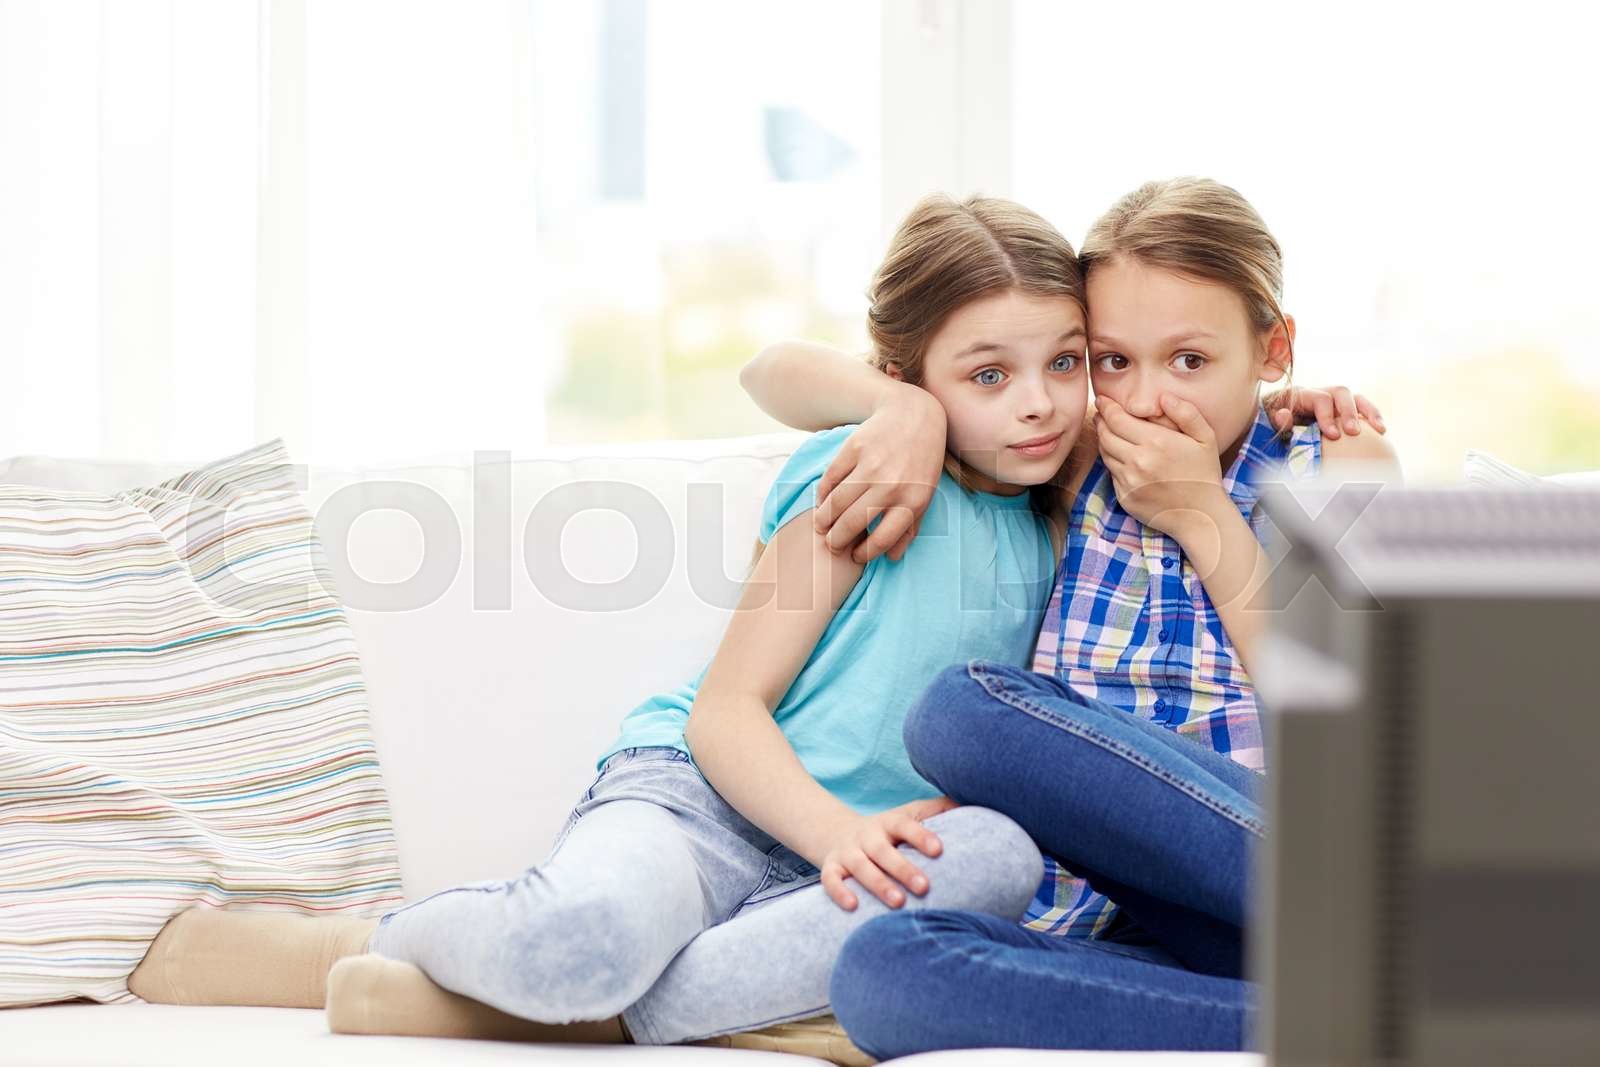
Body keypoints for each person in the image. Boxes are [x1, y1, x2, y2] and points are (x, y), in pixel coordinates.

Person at [129, 194, 1109, 1059]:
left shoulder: (1060, 502)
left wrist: (1271, 404)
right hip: (709, 807)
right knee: (582, 941)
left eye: (1064, 361)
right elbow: (723, 714)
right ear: (909, 376)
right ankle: (365, 947)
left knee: (1001, 856)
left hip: (864, 859)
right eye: (987, 375)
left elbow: (1197, 403)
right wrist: (897, 411)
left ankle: (585, 1007)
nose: (1038, 402)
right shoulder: (872, 474)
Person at [738, 177, 1400, 1055]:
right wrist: (905, 405)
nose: (1150, 397)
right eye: (1114, 360)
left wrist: (1203, 512)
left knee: (963, 712)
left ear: (1273, 349)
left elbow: (1333, 703)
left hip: (1287, 879)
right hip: (1110, 925)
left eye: (1191, 361)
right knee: (882, 968)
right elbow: (768, 372)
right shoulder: (1077, 446)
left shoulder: (1339, 461)